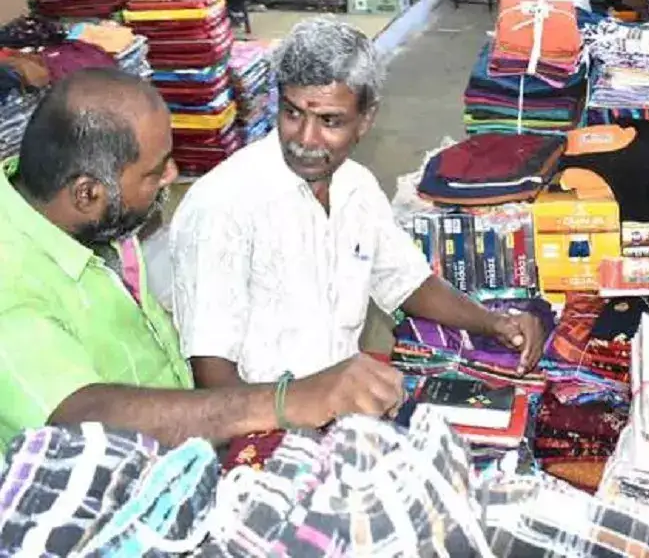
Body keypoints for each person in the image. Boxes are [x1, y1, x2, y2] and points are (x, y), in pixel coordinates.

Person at [0, 68, 407, 449]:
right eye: (154, 172)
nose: (171, 174)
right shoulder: (11, 284)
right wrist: (287, 400)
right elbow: (79, 417)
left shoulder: (91, 220)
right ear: (87, 193)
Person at [170, 19, 548, 390]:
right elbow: (213, 380)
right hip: (261, 421)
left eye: (329, 121)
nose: (306, 138)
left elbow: (406, 281)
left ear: (366, 120)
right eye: (293, 113)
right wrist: (300, 415)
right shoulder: (222, 208)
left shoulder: (357, 187)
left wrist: (494, 322)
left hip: (337, 409)